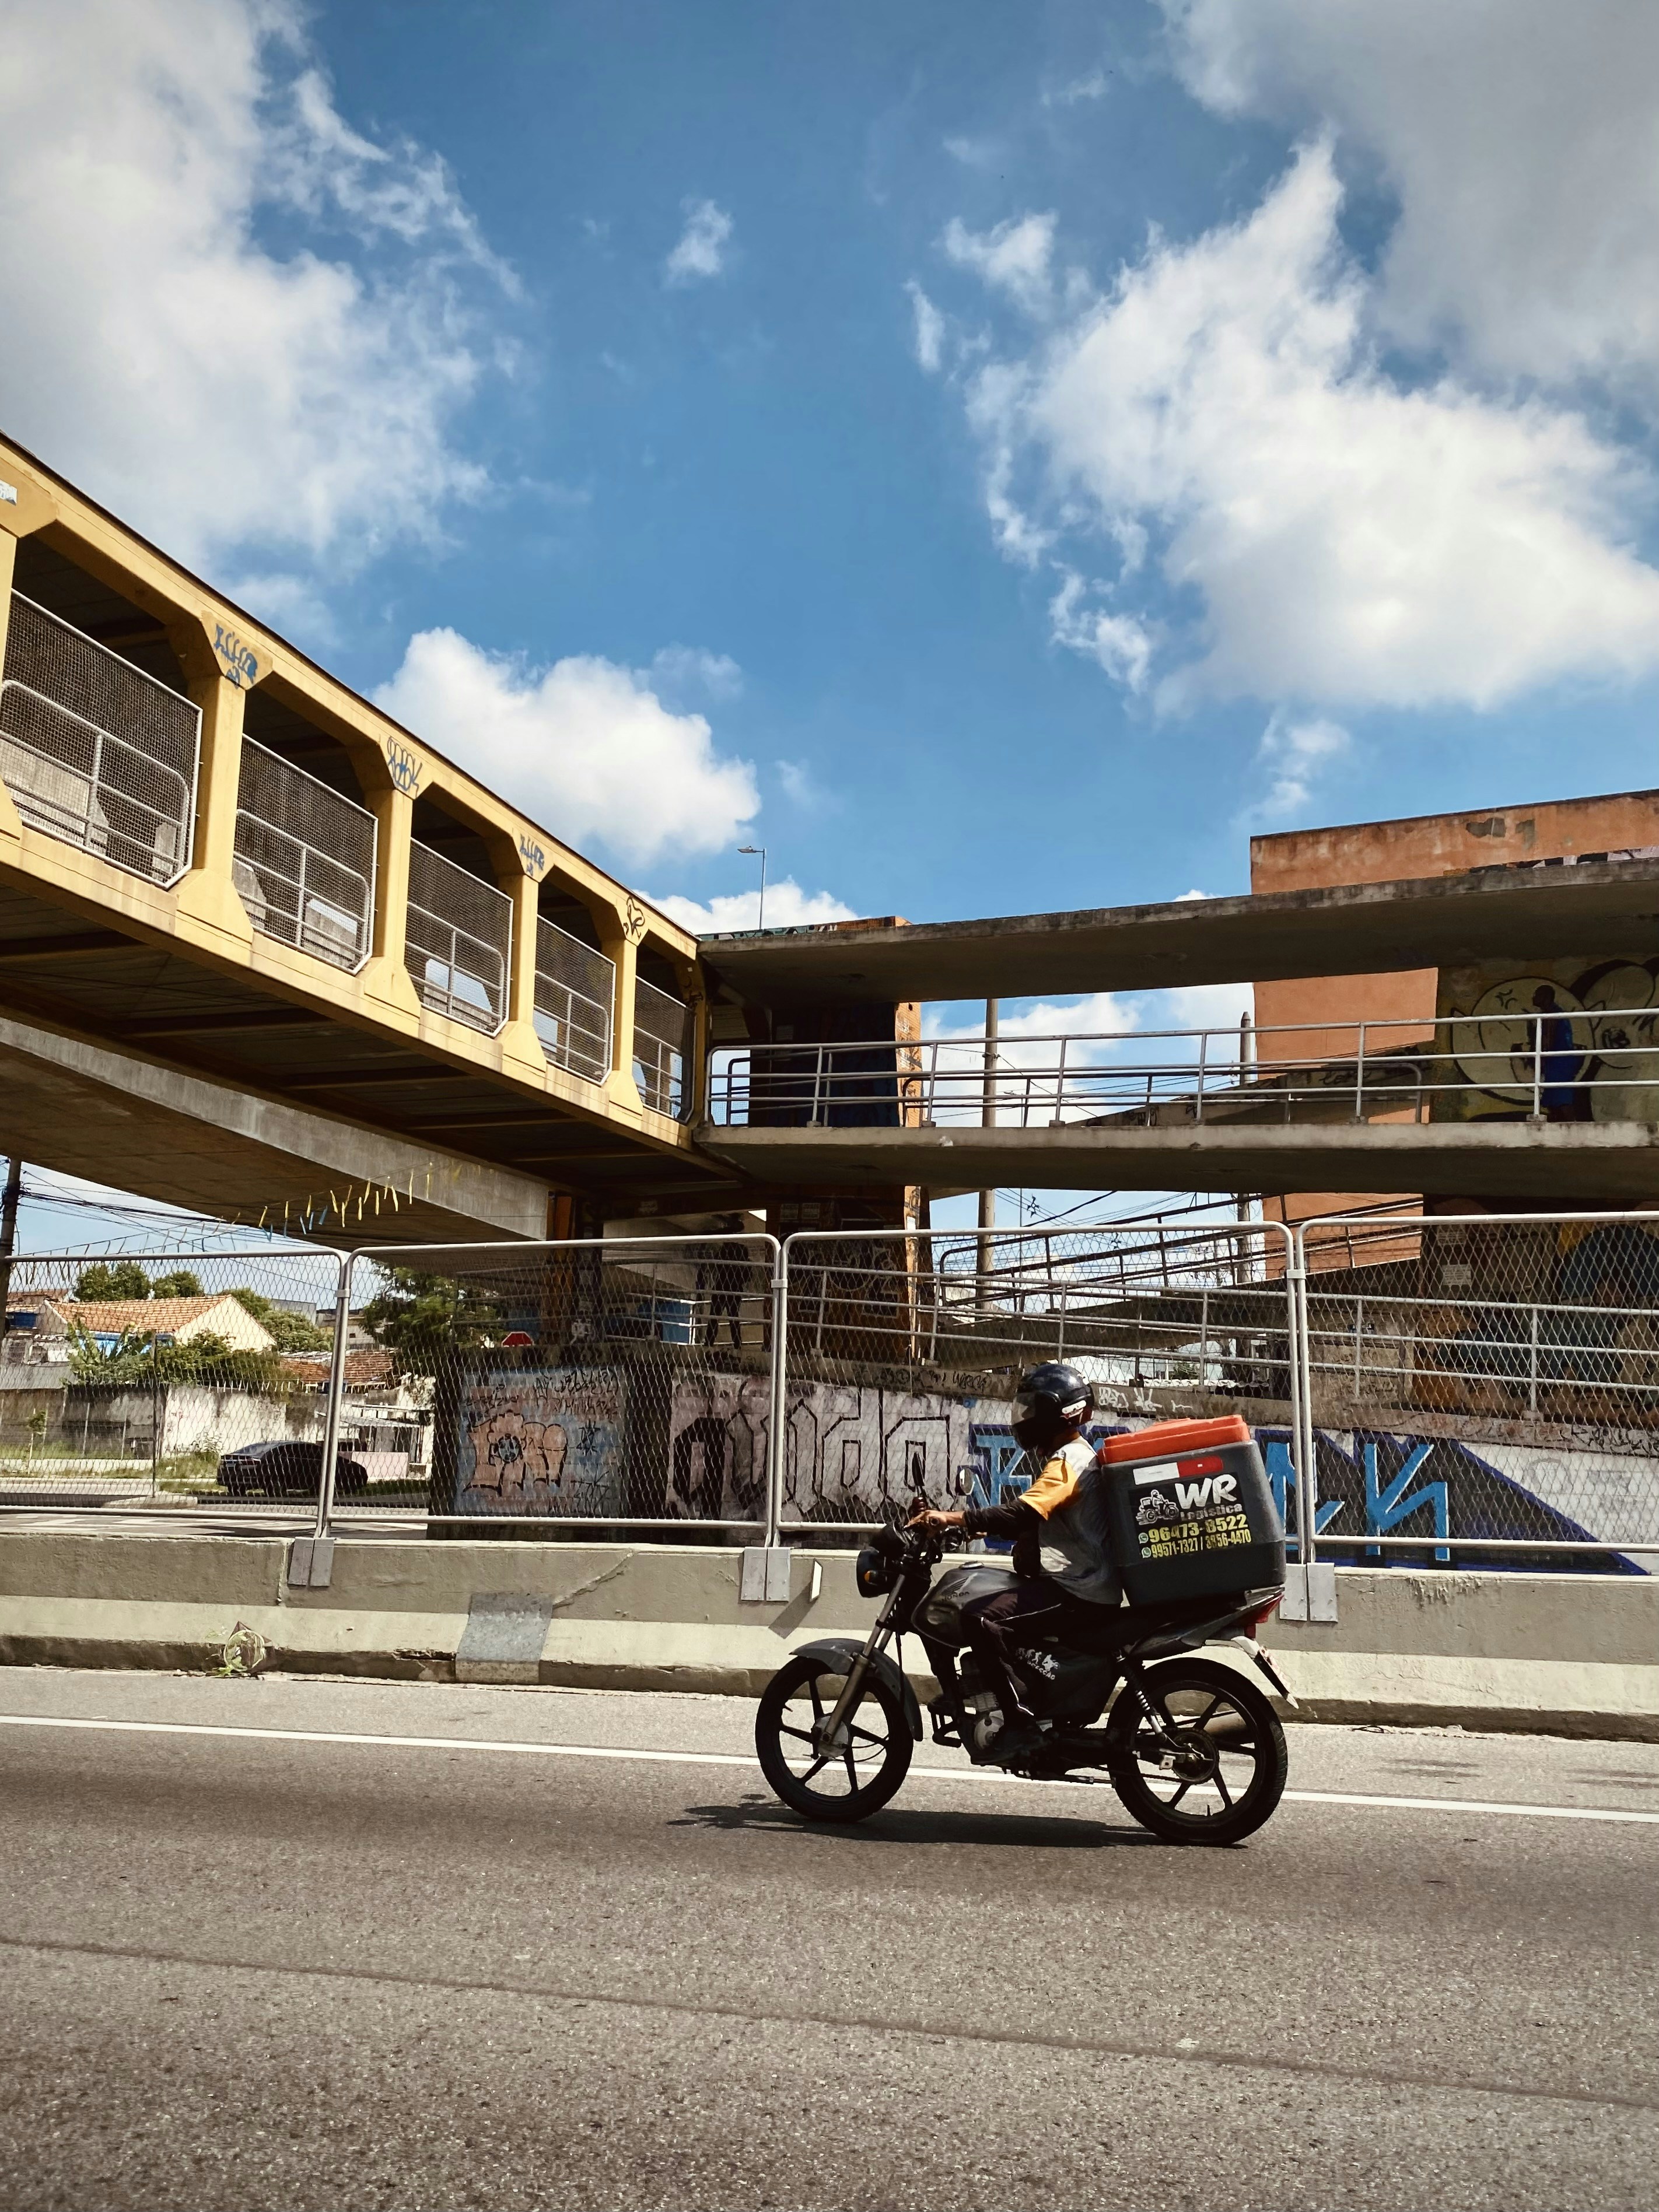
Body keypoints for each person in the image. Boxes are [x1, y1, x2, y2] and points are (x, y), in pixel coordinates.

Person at [909, 1360, 1119, 1766]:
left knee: (981, 1619)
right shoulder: (1068, 1456)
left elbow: (1023, 1512)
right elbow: (1036, 1520)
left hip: (1079, 1589)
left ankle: (1017, 1722)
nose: (1023, 1417)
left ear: (1055, 1412)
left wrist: (955, 1518)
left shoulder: (1068, 1462)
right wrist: (976, 1529)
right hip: (1078, 1581)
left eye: (1031, 1408)